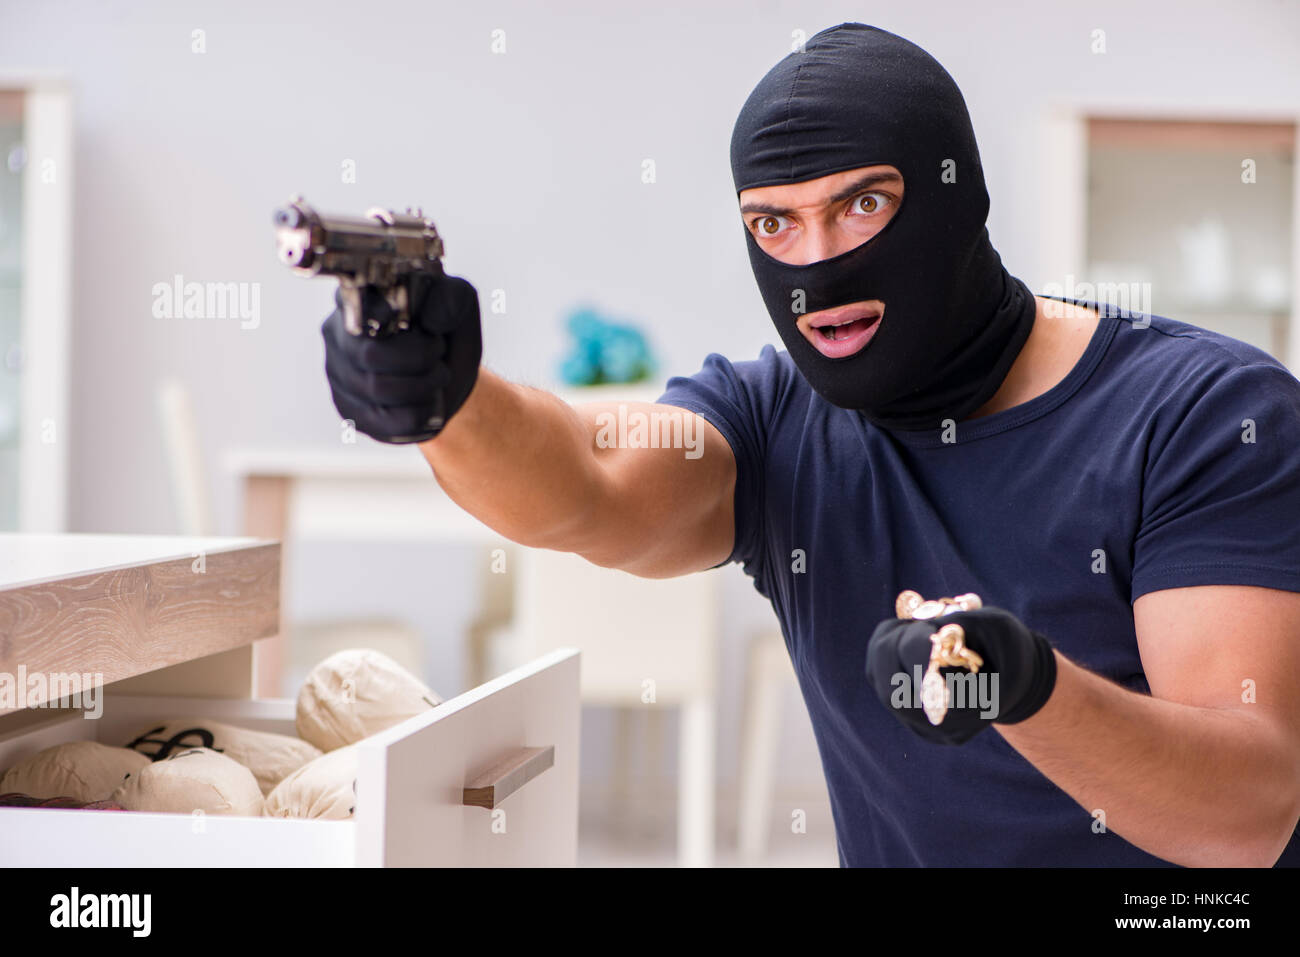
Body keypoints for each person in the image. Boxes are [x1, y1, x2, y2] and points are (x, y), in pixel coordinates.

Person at [320, 23, 1300, 866]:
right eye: (773, 224)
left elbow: (1245, 815)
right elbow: (586, 474)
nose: (818, 264)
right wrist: (445, 400)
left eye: (862, 204)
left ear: (958, 198)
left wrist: (1027, 685)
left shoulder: (1208, 414)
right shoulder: (774, 420)